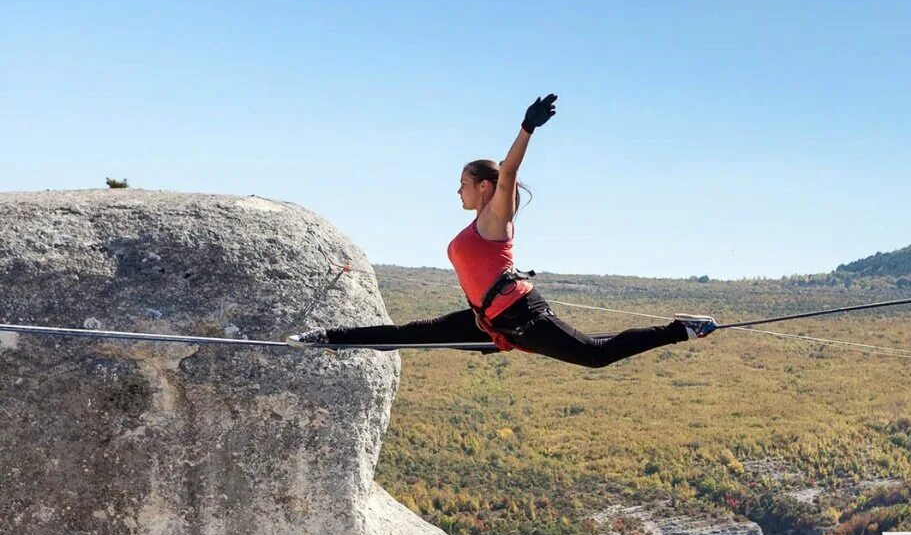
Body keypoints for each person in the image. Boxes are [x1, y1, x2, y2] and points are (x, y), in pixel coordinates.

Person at [288, 94, 717, 368]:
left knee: (594, 355)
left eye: (463, 183)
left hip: (521, 315)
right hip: (488, 320)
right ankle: (325, 338)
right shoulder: (476, 225)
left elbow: (508, 170)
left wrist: (527, 127)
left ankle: (681, 329)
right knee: (410, 334)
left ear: (484, 186)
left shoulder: (497, 218)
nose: (458, 190)